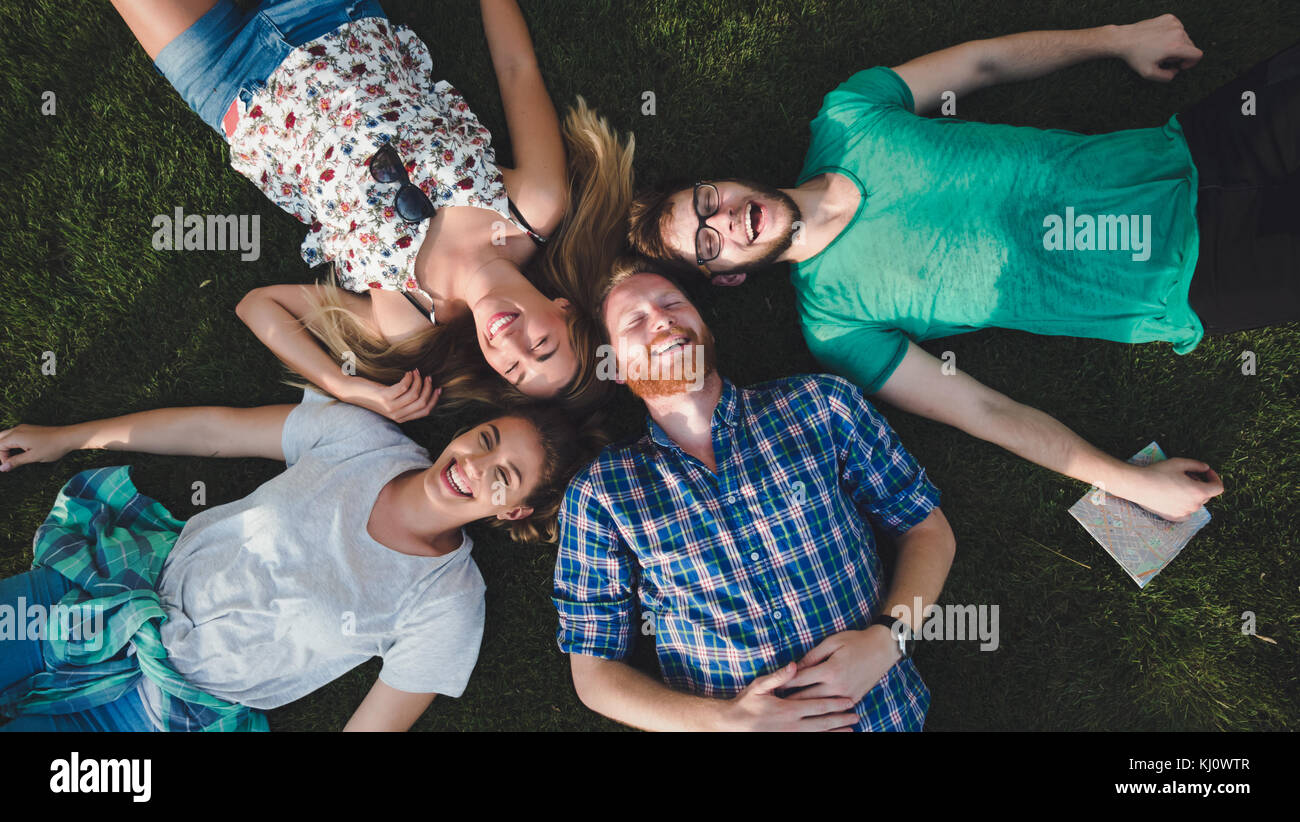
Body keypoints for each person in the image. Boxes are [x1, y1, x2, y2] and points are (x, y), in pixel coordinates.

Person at [623, 14, 1300, 521]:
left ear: (721, 181)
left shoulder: (848, 115)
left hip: (1193, 150)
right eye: (707, 244)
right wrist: (1129, 482)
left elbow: (982, 64)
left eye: (706, 202)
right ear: (730, 277)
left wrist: (1118, 38)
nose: (723, 220)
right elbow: (983, 409)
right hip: (1194, 275)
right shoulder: (836, 326)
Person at [110, 0, 632, 418]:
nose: (510, 343)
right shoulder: (533, 205)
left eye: (513, 370)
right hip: (331, 13)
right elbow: (517, 70)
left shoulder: (407, 319)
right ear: (563, 307)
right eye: (541, 345)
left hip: (230, 82)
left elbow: (258, 305)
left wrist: (347, 387)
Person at [0, 388, 584, 731]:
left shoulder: (449, 606)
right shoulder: (362, 440)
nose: (473, 466)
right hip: (107, 591)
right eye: (484, 439)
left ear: (514, 513)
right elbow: (213, 431)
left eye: (503, 477)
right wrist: (68, 437)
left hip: (154, 715)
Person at [552, 258, 956, 731]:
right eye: (635, 321)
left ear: (705, 328)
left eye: (672, 304)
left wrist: (890, 637)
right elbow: (594, 672)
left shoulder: (821, 405)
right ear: (616, 367)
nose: (661, 319)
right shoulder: (602, 493)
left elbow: (926, 527)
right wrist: (727, 722)